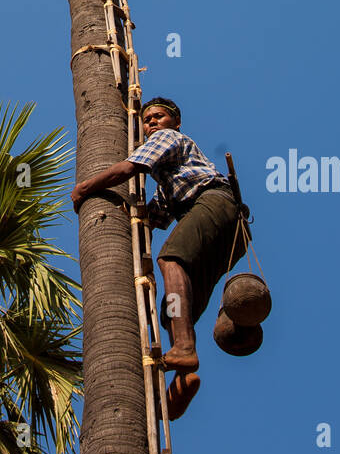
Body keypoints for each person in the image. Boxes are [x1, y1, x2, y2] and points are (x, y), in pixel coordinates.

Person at [70, 97, 249, 419]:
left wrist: (85, 188)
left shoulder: (168, 139)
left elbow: (129, 168)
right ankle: (185, 375)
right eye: (147, 120)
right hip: (232, 235)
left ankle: (183, 349)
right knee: (177, 311)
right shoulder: (169, 186)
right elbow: (155, 218)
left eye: (158, 117)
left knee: (170, 259)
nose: (151, 123)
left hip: (214, 202)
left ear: (174, 123)